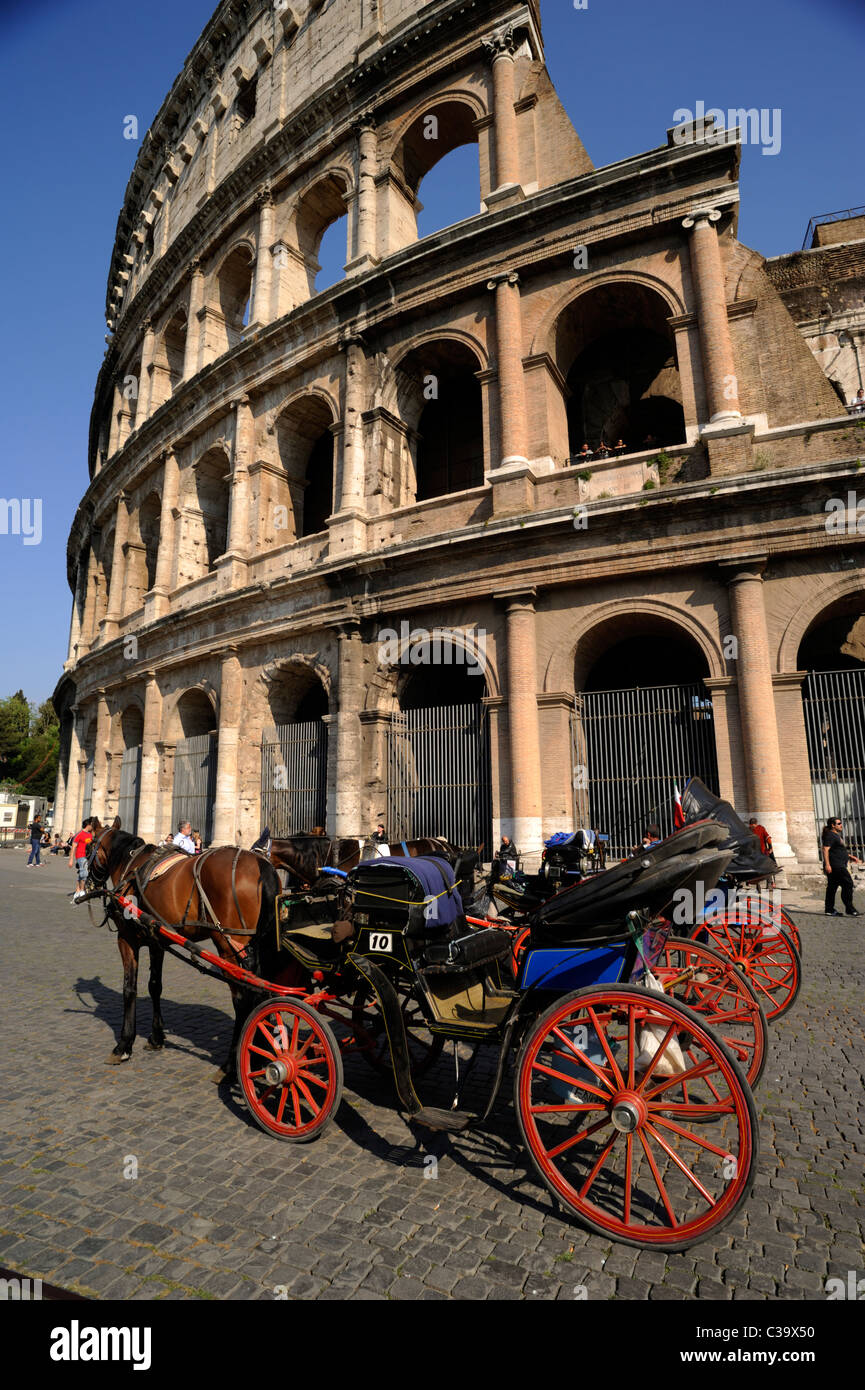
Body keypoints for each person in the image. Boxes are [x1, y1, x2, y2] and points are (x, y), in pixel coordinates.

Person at [821, 817, 861, 917]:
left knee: (832, 887)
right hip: (835, 865)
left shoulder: (835, 835)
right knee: (848, 884)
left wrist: (851, 857)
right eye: (838, 823)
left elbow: (838, 850)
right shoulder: (830, 835)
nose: (841, 825)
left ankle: (829, 909)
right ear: (833, 825)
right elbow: (825, 850)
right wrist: (827, 865)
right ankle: (849, 908)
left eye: (841, 823)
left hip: (837, 864)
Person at [68, 818, 93, 901]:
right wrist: (71, 860)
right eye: (92, 824)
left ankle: (77, 890)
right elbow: (73, 847)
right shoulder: (79, 834)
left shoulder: (91, 835)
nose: (92, 826)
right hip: (80, 856)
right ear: (88, 825)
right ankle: (82, 890)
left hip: (88, 856)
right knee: (84, 873)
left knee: (82, 873)